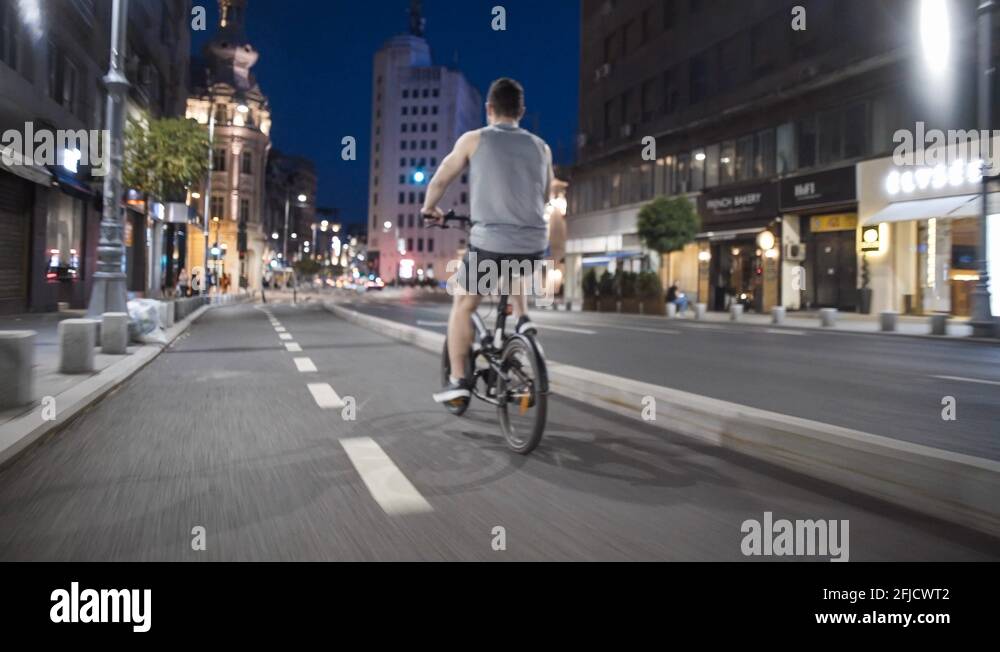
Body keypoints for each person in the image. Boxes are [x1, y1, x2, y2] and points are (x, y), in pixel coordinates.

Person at [421, 78, 554, 404]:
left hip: (490, 242)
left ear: (488, 109)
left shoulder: (474, 139)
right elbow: (546, 194)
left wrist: (429, 208)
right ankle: (523, 322)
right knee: (517, 260)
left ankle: (458, 381)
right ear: (521, 111)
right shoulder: (542, 147)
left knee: (463, 305)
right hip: (535, 243)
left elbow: (441, 177)